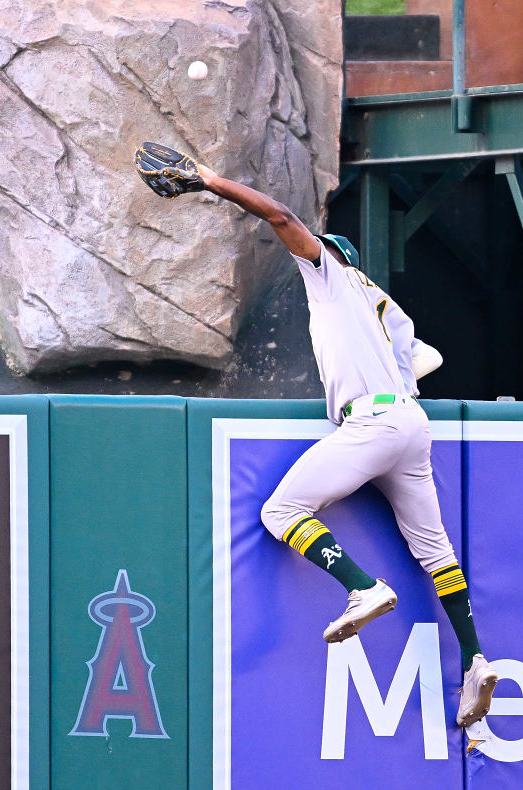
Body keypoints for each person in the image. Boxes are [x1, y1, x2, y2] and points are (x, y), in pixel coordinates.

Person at [133, 142, 497, 727]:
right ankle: (476, 659)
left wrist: (209, 180)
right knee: (438, 554)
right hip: (410, 423)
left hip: (373, 422)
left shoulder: (328, 276)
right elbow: (428, 357)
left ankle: (361, 588)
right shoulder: (382, 305)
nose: (311, 252)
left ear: (331, 257)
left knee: (281, 511)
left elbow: (281, 217)